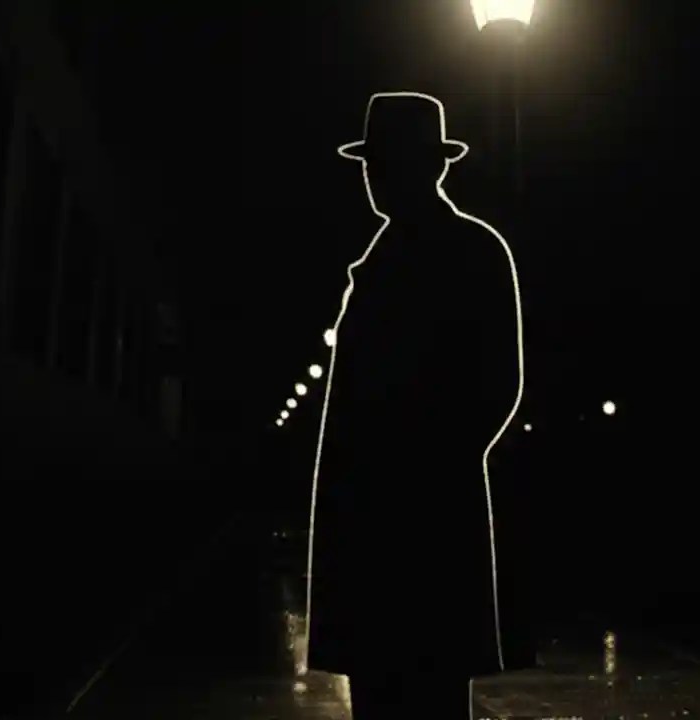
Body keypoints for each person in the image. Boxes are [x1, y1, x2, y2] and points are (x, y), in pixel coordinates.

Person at [305, 92, 525, 718]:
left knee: (415, 691)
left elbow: (493, 387)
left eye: (385, 160)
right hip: (402, 522)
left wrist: (418, 466)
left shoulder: (467, 252)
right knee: (399, 692)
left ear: (427, 166)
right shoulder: (437, 254)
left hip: (419, 522)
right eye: (372, 162)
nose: (374, 175)